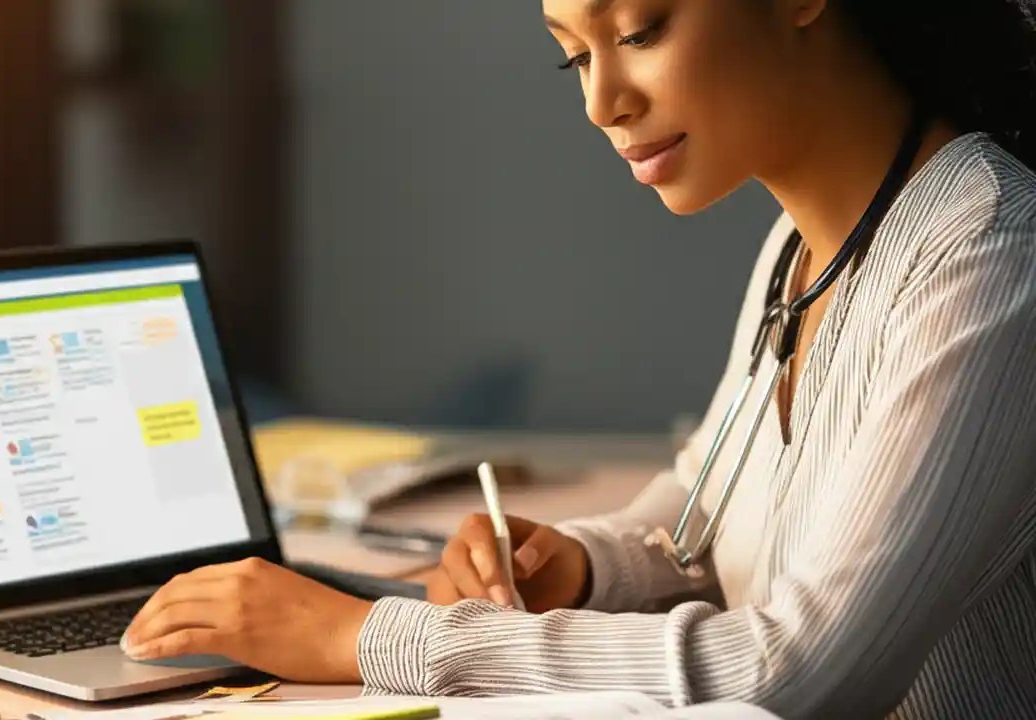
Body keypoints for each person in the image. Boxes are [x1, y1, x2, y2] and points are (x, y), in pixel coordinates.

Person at [119, 0, 1036, 716]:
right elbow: (702, 521)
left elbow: (800, 672)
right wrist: (581, 566)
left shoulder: (990, 250)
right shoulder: (801, 251)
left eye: (637, 31)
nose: (602, 103)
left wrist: (372, 637)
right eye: (574, 55)